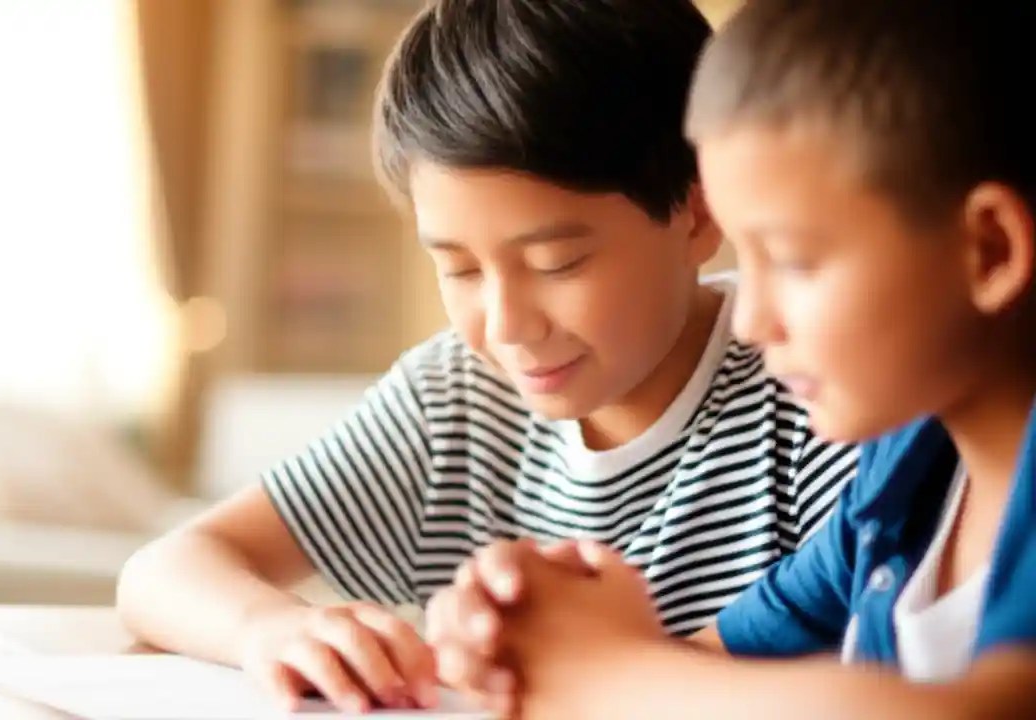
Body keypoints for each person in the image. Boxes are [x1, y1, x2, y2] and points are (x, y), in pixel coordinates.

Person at [116, 0, 856, 713]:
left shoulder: (816, 386)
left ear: (697, 210)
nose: (507, 327)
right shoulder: (458, 400)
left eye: (559, 262)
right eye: (461, 270)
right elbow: (164, 569)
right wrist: (271, 627)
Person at [426, 0, 1036, 716]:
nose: (748, 320)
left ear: (988, 251)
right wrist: (532, 639)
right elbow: (711, 666)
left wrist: (606, 671)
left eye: (791, 260)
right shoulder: (905, 472)